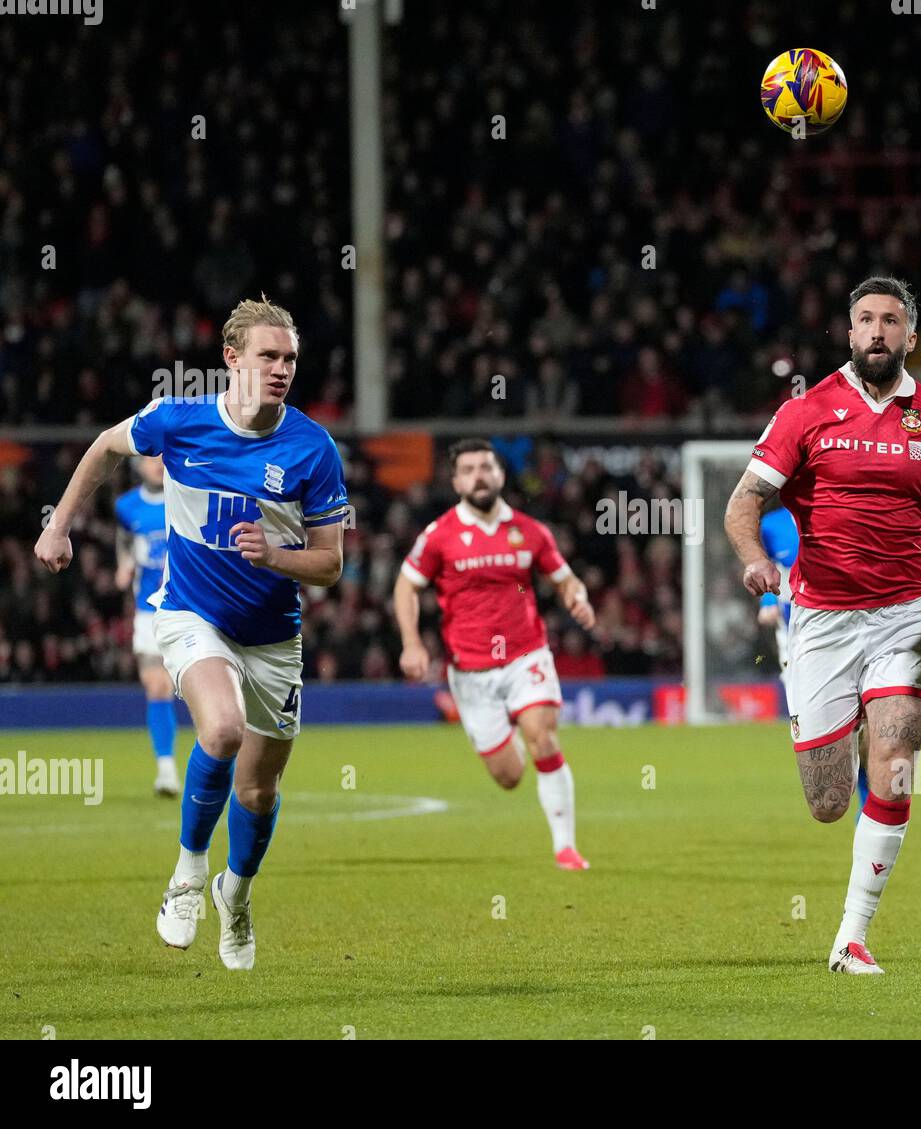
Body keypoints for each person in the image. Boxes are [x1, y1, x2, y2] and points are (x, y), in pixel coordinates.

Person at [34, 295, 349, 970]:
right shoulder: (178, 419)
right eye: (269, 355)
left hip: (272, 636)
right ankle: (188, 874)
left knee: (258, 791)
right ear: (232, 358)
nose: (282, 368)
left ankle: (236, 898)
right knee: (222, 730)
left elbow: (330, 563)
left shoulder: (312, 447)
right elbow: (104, 447)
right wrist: (58, 525)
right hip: (190, 614)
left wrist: (275, 554)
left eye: (290, 358)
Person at [724, 276, 921, 976]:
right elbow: (743, 503)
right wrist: (755, 560)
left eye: (891, 320)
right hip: (821, 621)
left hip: (904, 615)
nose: (877, 331)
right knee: (828, 801)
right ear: (848, 332)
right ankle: (849, 724)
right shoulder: (804, 413)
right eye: (866, 319)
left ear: (910, 335)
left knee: (896, 763)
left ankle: (850, 935)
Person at [394, 438, 597, 870]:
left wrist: (578, 597)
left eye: (485, 467)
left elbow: (566, 580)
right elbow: (406, 585)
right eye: (468, 470)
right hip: (470, 671)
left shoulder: (531, 531)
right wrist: (412, 642)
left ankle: (566, 847)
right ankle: (508, 733)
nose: (478, 476)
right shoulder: (438, 536)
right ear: (454, 481)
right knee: (508, 777)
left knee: (543, 737)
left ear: (501, 475)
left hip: (527, 655)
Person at [114, 454, 179, 795]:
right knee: (157, 686)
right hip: (147, 611)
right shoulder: (125, 506)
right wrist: (124, 565)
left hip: (188, 608)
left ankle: (216, 765)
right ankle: (166, 769)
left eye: (163, 456)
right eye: (149, 457)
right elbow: (124, 541)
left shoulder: (186, 494)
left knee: (200, 693)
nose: (158, 462)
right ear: (137, 465)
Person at [756, 504, 798, 707]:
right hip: (790, 615)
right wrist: (769, 601)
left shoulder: (831, 511)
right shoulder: (770, 524)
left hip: (833, 610)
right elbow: (765, 564)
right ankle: (802, 734)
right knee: (795, 680)